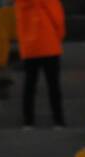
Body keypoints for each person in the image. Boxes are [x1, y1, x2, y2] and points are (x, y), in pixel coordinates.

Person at [16, 0, 66, 129]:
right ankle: (58, 121)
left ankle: (28, 122)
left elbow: (19, 25)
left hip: (29, 48)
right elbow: (57, 19)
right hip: (49, 44)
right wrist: (58, 37)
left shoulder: (20, 3)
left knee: (29, 86)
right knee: (53, 85)